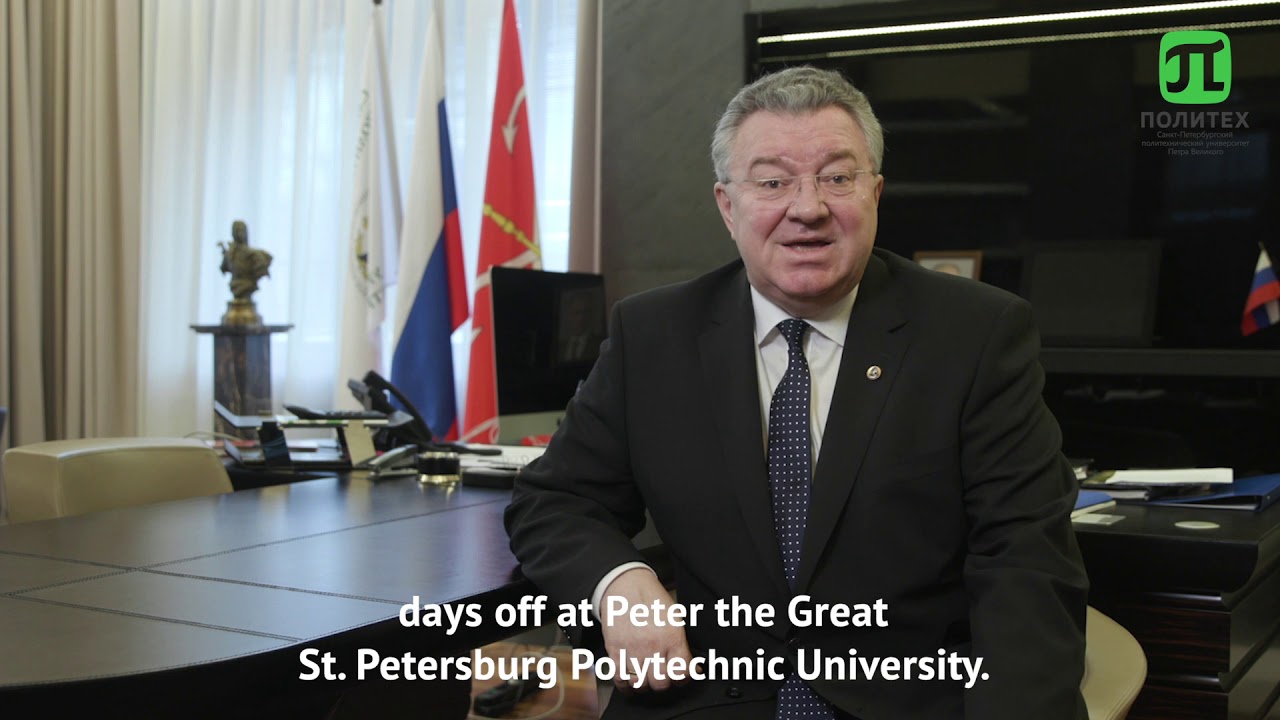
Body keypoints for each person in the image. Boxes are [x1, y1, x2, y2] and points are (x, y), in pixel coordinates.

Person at [505, 66, 1087, 719]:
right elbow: (554, 501)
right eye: (772, 181)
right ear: (727, 206)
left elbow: (1026, 562)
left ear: (876, 194)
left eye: (837, 178)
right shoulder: (653, 335)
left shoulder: (976, 335)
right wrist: (619, 584)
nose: (807, 208)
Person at [219, 220, 272, 299]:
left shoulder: (256, 255)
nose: (239, 234)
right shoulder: (230, 254)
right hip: (235, 284)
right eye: (236, 231)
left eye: (241, 230)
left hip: (247, 286)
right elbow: (223, 268)